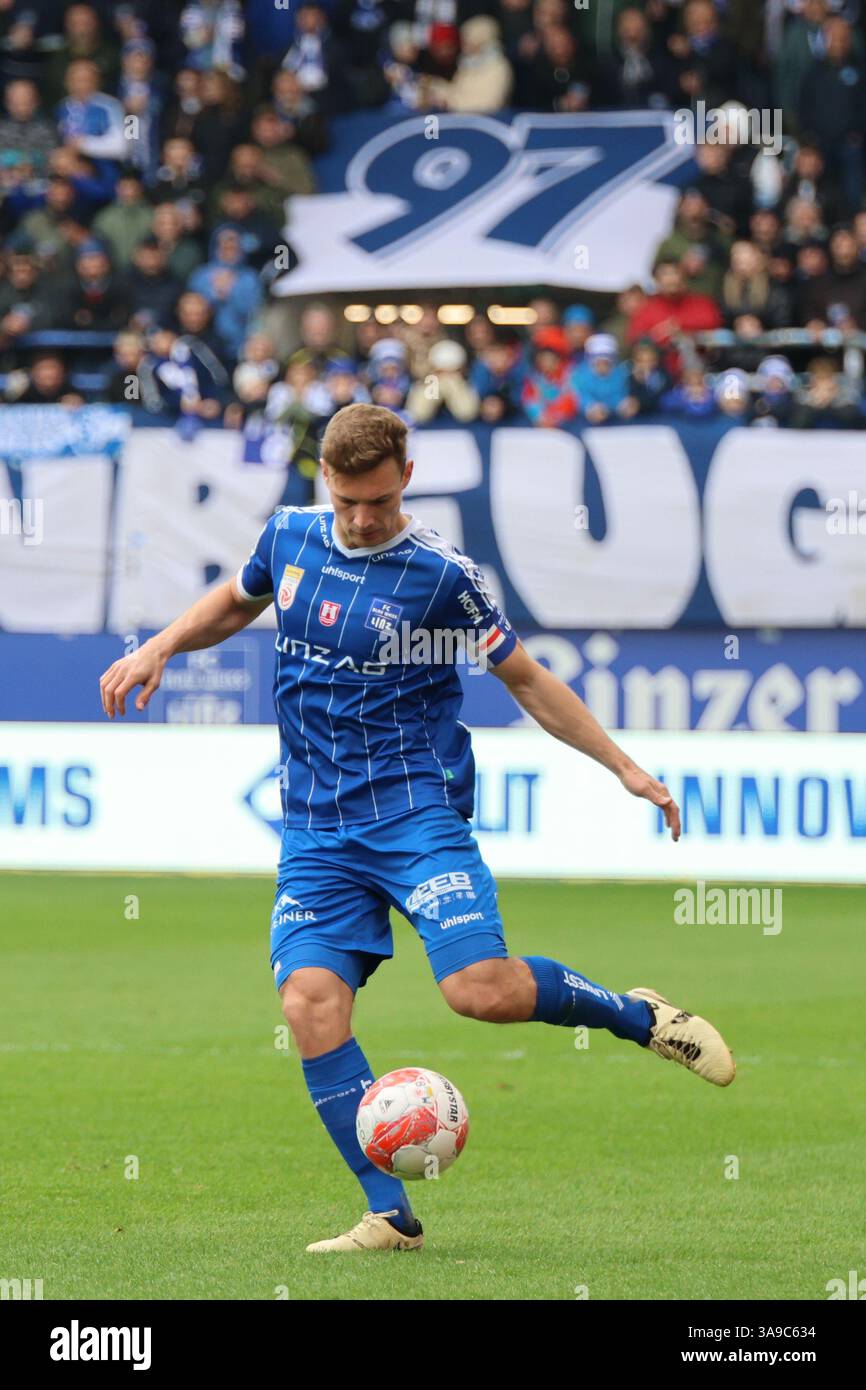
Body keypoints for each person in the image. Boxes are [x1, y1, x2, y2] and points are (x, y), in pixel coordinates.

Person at [99, 402, 736, 1254]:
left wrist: (622, 767)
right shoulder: (290, 535)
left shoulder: (444, 576)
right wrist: (163, 646)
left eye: (378, 502)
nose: (363, 520)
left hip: (412, 812)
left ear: (406, 476)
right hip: (317, 828)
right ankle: (389, 1214)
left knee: (479, 992)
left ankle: (636, 1015)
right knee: (309, 1003)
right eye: (348, 502)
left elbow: (530, 681)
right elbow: (236, 599)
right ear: (326, 479)